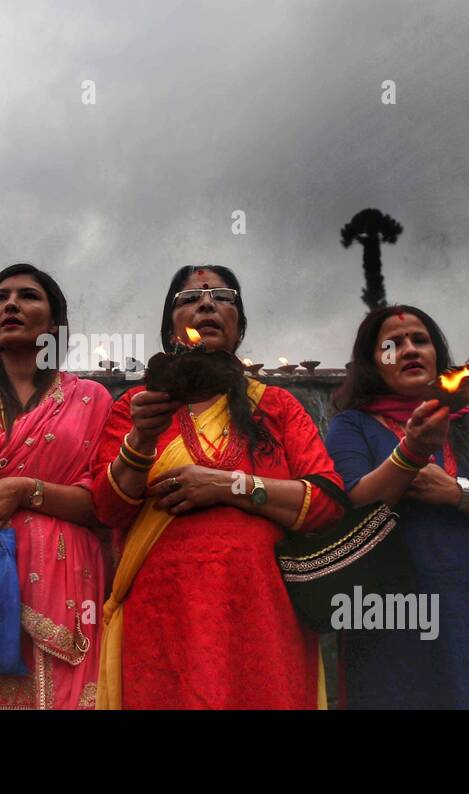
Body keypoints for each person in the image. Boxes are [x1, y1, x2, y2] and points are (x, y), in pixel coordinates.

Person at [88, 265, 344, 709]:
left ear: (239, 325)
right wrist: (141, 440)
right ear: (170, 328)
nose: (206, 303)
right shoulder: (136, 405)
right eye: (188, 299)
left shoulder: (276, 406)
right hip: (164, 616)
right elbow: (108, 509)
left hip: (263, 615)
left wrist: (232, 486)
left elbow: (326, 503)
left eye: (222, 296)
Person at [325, 305, 469, 709]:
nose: (409, 349)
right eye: (391, 345)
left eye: (420, 340)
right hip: (391, 620)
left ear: (436, 355)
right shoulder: (352, 425)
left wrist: (456, 492)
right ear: (373, 363)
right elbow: (350, 510)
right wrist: (411, 453)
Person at [0, 263, 112, 709]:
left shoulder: (92, 398)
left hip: (68, 583)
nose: (10, 303)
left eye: (28, 296)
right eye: (1, 296)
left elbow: (105, 505)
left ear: (53, 324)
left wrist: (26, 489)